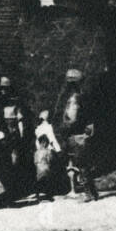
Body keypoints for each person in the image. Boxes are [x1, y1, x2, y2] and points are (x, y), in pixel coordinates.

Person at [56, 69, 100, 201]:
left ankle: (89, 193)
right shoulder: (78, 97)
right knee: (81, 164)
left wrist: (65, 127)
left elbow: (73, 118)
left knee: (82, 164)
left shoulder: (76, 98)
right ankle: (91, 192)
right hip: (77, 134)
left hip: (77, 134)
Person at [32, 109, 61, 202]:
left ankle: (40, 192)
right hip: (48, 151)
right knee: (51, 171)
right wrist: (58, 150)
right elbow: (52, 139)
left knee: (39, 173)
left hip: (39, 152)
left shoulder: (37, 128)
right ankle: (53, 191)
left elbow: (37, 141)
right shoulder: (48, 127)